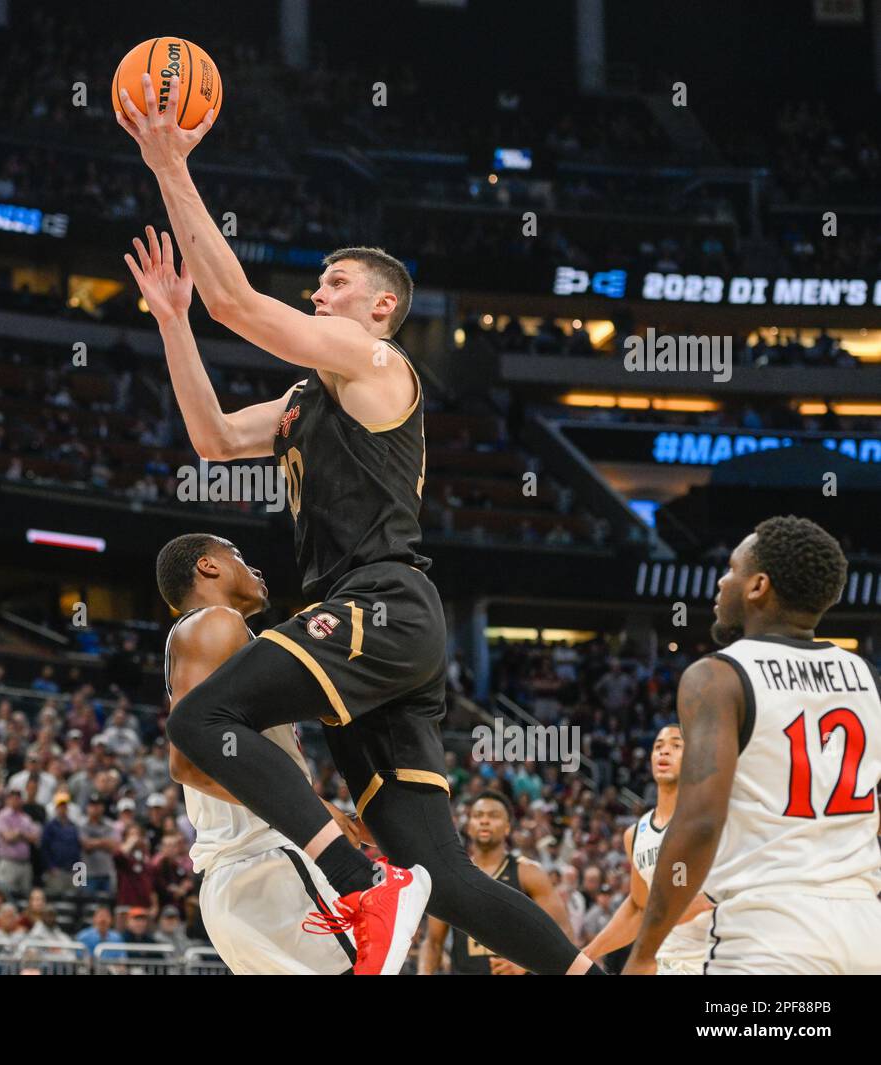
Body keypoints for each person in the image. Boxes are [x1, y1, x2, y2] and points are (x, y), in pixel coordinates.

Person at [118, 84, 600, 977]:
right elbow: (215, 439)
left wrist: (171, 165)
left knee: (204, 716)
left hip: (380, 604)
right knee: (443, 876)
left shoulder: (378, 363)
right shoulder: (309, 397)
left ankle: (351, 879)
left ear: (382, 307)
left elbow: (241, 305)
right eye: (320, 282)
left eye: (335, 283)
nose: (320, 292)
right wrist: (174, 323)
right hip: (377, 636)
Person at [625, 517, 881, 975]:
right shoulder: (866, 677)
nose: (722, 582)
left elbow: (700, 820)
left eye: (730, 569)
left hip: (768, 938)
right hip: (866, 931)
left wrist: (645, 952)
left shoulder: (717, 676)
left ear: (758, 586)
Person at [159, 535, 356, 974]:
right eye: (241, 558)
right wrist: (311, 813)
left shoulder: (231, 638)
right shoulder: (216, 622)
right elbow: (188, 762)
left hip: (245, 881)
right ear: (208, 567)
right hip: (269, 864)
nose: (258, 571)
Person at [584, 725, 712, 974]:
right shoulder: (636, 833)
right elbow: (638, 908)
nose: (665, 751)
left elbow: (709, 898)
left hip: (718, 961)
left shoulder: (710, 821)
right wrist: (586, 955)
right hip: (668, 965)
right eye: (658, 746)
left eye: (676, 745)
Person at [418, 792, 574, 974]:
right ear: (469, 826)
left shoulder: (528, 872)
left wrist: (526, 963)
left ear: (507, 827)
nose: (484, 821)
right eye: (478, 816)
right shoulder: (450, 875)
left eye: (493, 816)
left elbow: (563, 932)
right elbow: (433, 943)